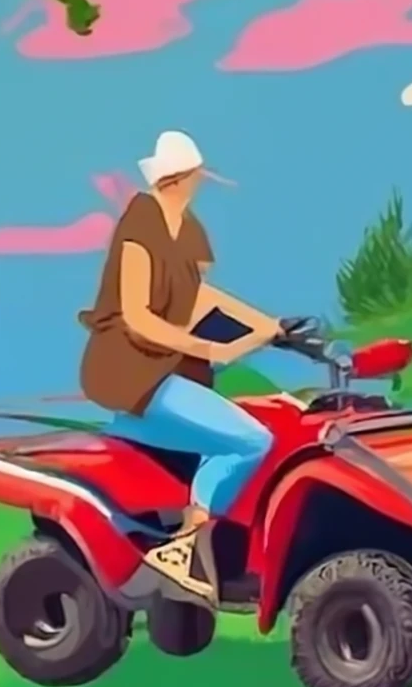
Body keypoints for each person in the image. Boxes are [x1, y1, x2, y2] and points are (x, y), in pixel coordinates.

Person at [78, 129, 281, 604]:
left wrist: (270, 326)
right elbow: (138, 316)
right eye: (194, 177)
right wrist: (206, 349)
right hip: (132, 370)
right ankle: (184, 548)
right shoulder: (140, 224)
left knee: (265, 428)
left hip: (169, 368)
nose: (198, 184)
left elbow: (200, 298)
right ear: (180, 177)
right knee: (252, 441)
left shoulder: (187, 228)